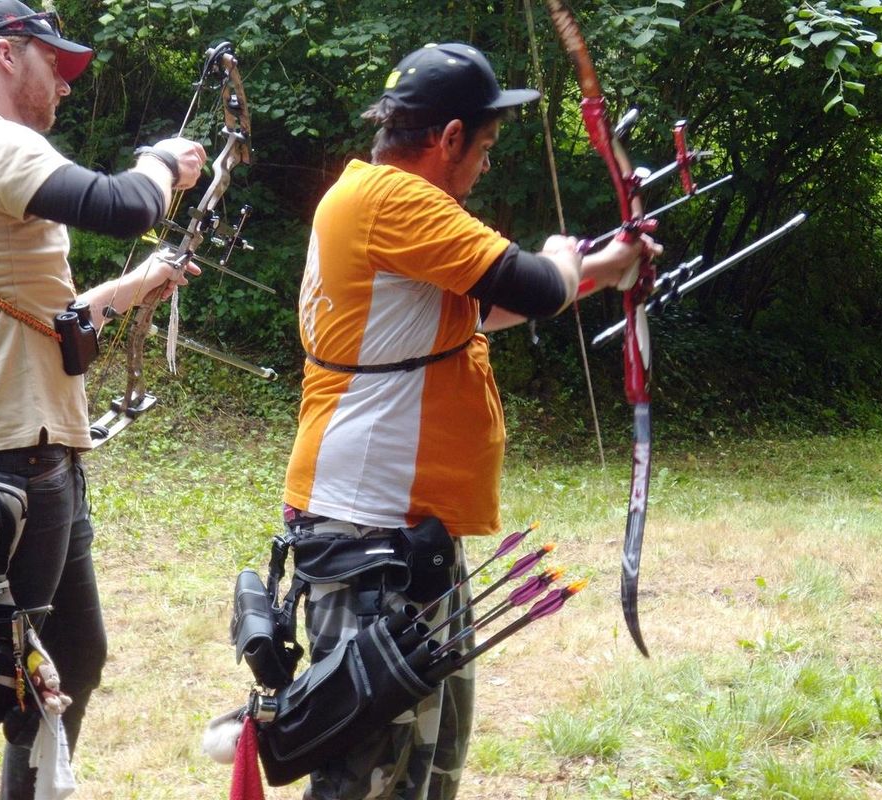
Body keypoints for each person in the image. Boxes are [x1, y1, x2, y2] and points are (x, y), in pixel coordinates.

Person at [281, 42, 658, 800]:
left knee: (425, 761)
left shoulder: (383, 208)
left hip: (406, 533)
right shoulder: (394, 199)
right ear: (448, 138)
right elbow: (533, 281)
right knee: (371, 773)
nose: (485, 166)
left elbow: (481, 309)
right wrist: (563, 259)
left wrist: (605, 267)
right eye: (483, 148)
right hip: (370, 540)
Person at [0, 1, 207, 798]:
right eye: (54, 65)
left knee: (72, 653)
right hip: (6, 458)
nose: (65, 86)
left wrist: (131, 289)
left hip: (34, 454)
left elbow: (38, 311)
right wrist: (162, 163)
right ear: (8, 53)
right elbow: (122, 205)